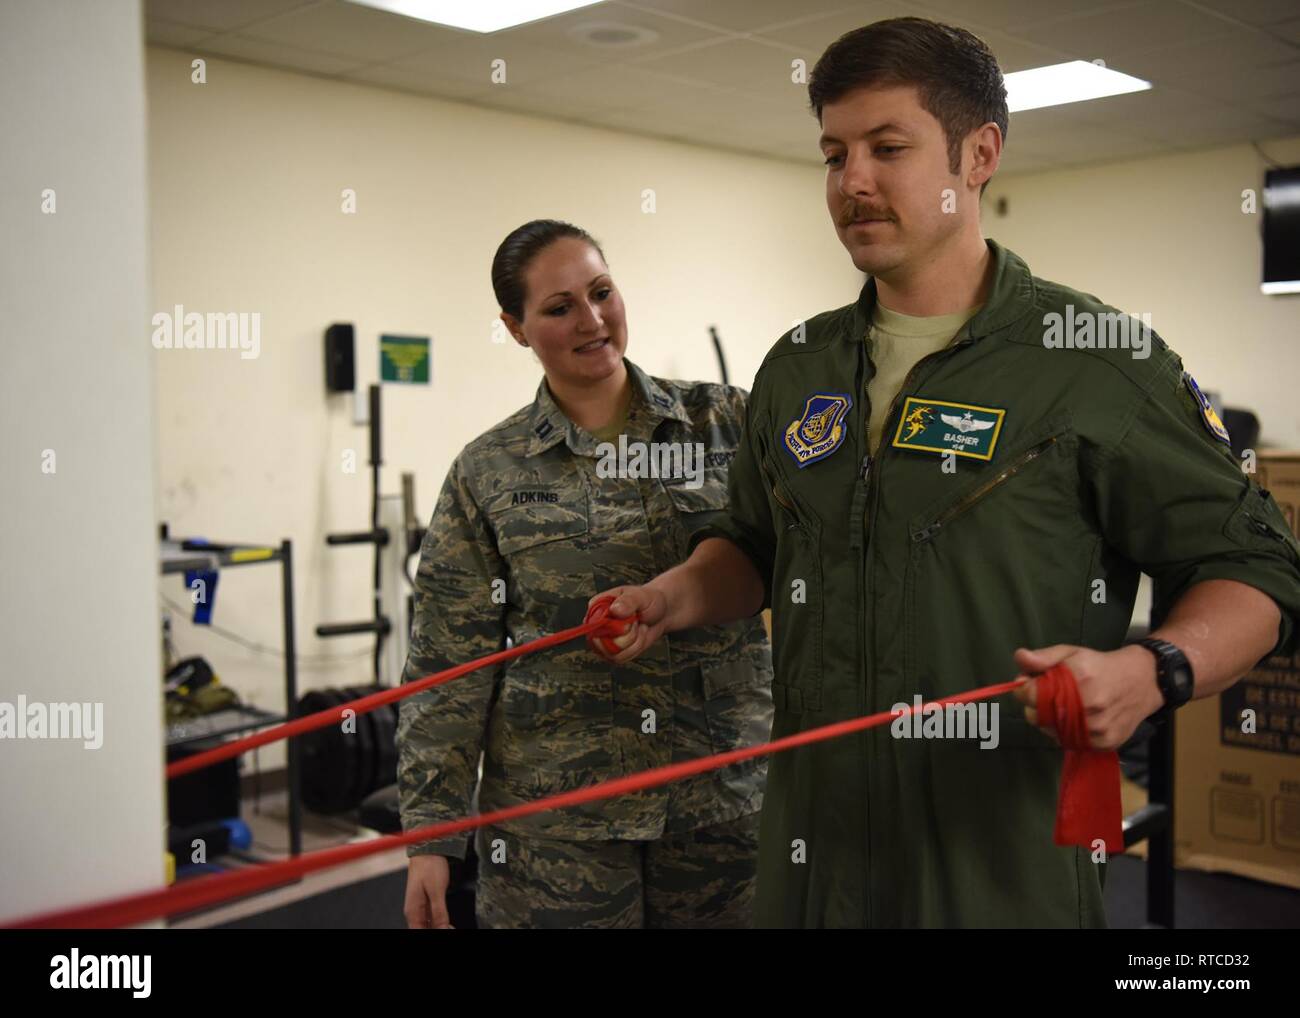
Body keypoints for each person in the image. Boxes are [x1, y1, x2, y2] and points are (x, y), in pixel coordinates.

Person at [589, 18, 1300, 928]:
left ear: (979, 153)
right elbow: (756, 545)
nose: (853, 181)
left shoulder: (1093, 360)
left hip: (994, 868)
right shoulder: (798, 366)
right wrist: (674, 596)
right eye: (834, 153)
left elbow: (1258, 569)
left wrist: (1153, 667)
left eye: (889, 147)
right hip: (812, 856)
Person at [397, 220, 773, 929]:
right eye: (559, 307)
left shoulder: (725, 423)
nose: (592, 320)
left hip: (723, 809)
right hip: (558, 832)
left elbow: (800, 564)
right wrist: (432, 833)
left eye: (601, 292)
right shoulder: (489, 471)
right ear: (515, 328)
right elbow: (450, 663)